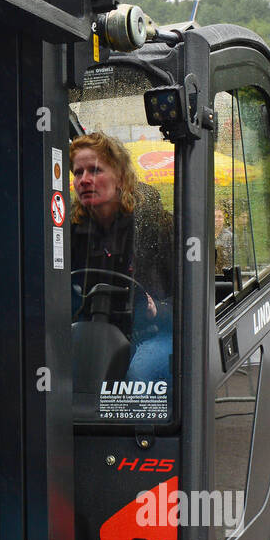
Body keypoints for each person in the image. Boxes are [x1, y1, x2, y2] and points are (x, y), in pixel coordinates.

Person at [70, 132, 173, 382]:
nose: (84, 180)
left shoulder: (157, 226)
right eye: (77, 172)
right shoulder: (68, 231)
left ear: (120, 177)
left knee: (140, 374)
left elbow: (192, 303)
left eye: (95, 170)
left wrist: (157, 309)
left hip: (155, 331)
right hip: (91, 329)